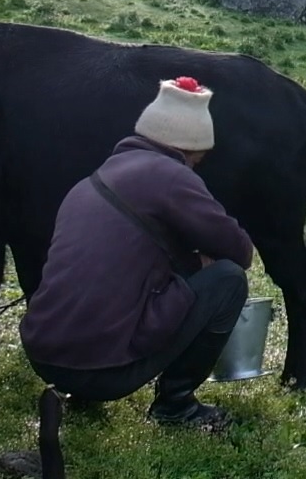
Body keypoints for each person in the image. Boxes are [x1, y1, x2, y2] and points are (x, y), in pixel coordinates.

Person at [20, 76, 252, 430]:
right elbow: (238, 250)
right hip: (104, 374)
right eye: (196, 161)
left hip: (44, 357)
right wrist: (202, 260)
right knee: (228, 279)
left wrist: (188, 260)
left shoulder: (91, 182)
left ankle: (79, 393)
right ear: (189, 149)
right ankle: (176, 405)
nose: (193, 168)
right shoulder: (172, 176)